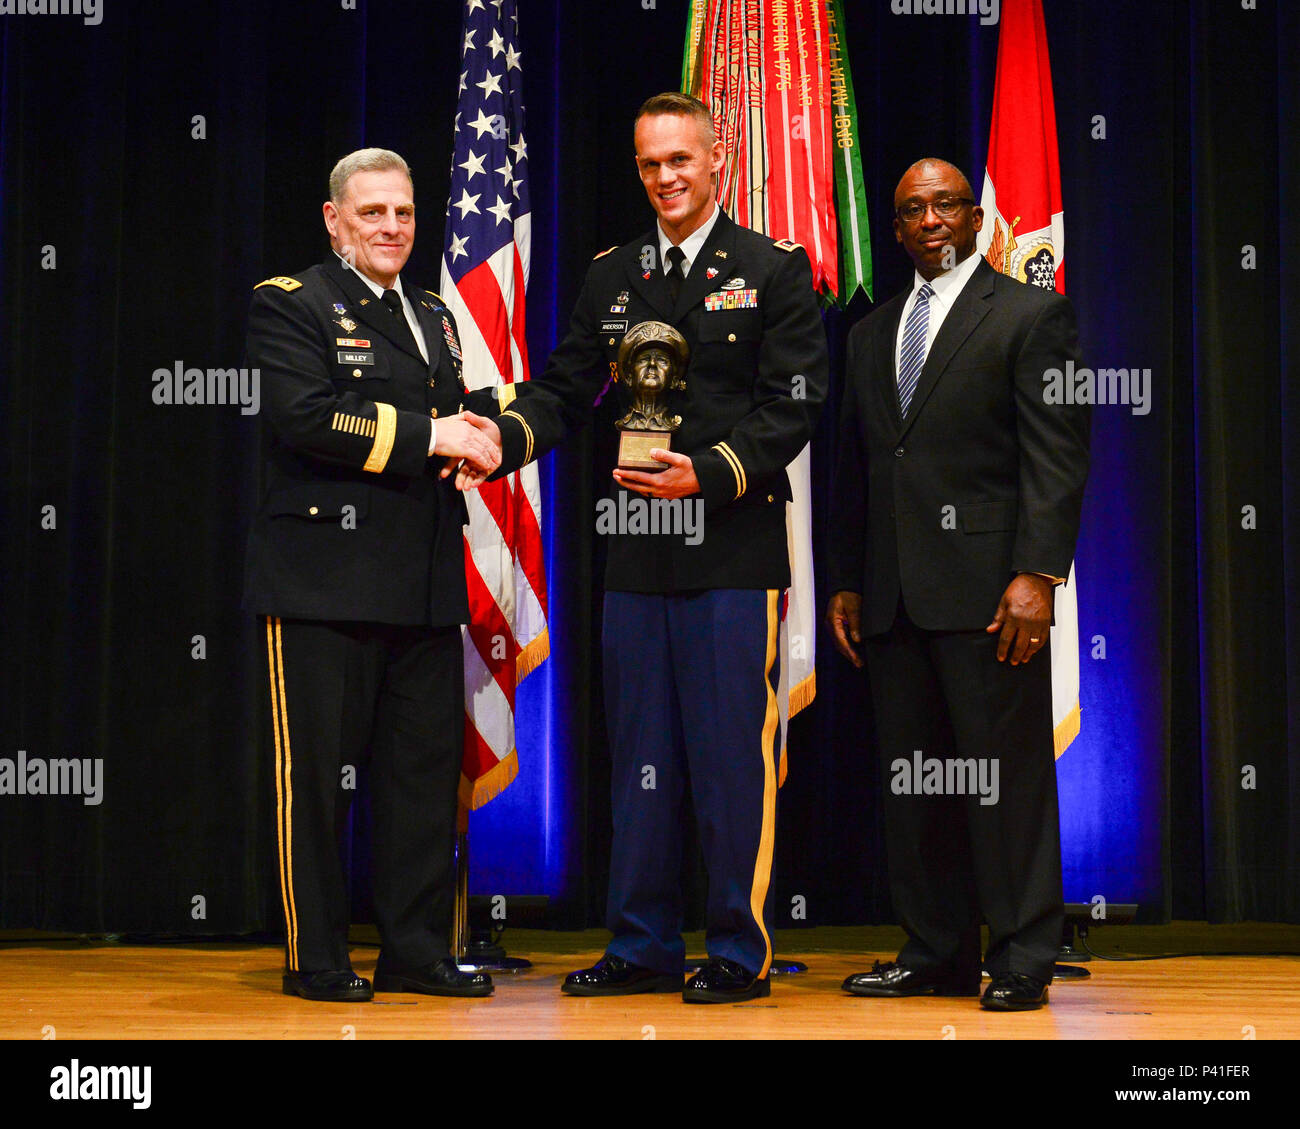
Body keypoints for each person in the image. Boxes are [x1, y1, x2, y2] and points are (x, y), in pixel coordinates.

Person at [464, 92, 829, 1003]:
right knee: (639, 756)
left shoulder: (774, 269)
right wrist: (495, 440)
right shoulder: (611, 276)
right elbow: (563, 389)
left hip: (732, 551)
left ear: (718, 162)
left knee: (726, 758)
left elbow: (794, 404)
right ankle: (641, 942)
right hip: (635, 549)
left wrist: (704, 472)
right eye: (649, 163)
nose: (665, 177)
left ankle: (737, 951)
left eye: (680, 160)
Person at [825, 158, 1090, 1010]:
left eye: (945, 204)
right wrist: (848, 580)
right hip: (893, 596)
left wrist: (1038, 574)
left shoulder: (1031, 315)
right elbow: (861, 469)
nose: (930, 219)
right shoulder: (870, 334)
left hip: (990, 596)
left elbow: (1057, 456)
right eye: (912, 210)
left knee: (1003, 781)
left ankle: (1021, 955)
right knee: (917, 784)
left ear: (976, 219)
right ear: (895, 229)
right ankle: (934, 949)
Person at [244, 147, 504, 1002]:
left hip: (424, 574)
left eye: (402, 213)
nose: (391, 227)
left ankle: (417, 948)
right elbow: (305, 416)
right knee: (315, 781)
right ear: (334, 221)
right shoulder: (291, 304)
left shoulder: (431, 309)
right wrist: (436, 438)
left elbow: (454, 408)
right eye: (372, 214)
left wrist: (482, 440)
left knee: (420, 776)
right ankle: (316, 955)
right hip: (324, 579)